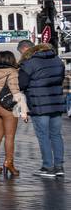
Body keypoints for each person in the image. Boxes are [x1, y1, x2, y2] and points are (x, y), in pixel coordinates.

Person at [18, 42, 66, 178]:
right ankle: (59, 166)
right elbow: (61, 79)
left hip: (39, 104)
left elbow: (21, 84)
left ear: (26, 50)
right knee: (56, 135)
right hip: (56, 102)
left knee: (43, 135)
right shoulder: (57, 60)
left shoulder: (29, 63)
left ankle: (47, 167)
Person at [0, 50, 27, 177]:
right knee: (9, 136)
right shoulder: (12, 72)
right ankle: (9, 163)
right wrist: (24, 110)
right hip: (8, 108)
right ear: (11, 60)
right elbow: (16, 93)